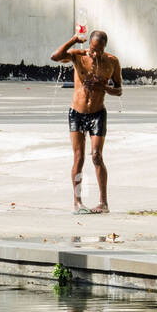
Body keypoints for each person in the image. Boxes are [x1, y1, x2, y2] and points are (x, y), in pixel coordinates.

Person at [50, 28, 122, 213]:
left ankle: (103, 203)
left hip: (98, 113)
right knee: (79, 157)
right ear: (89, 44)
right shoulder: (78, 56)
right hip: (77, 112)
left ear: (105, 47)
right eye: (93, 48)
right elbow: (55, 57)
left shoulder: (112, 62)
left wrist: (104, 87)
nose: (96, 52)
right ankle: (77, 202)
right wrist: (74, 39)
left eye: (100, 49)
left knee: (97, 156)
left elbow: (119, 90)